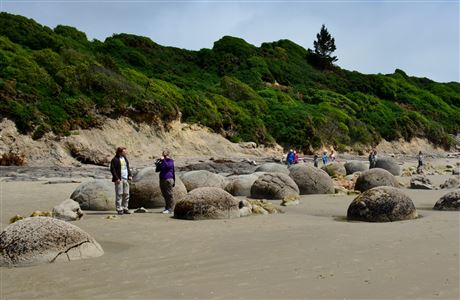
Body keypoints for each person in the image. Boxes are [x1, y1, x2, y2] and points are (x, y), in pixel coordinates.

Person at [110, 147, 132, 215]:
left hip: (125, 178)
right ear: (120, 152)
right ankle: (119, 209)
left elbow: (127, 167)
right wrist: (116, 178)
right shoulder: (115, 159)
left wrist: (130, 175)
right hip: (119, 179)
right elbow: (112, 170)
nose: (125, 153)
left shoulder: (125, 158)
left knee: (126, 194)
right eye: (124, 152)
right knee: (119, 194)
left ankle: (125, 208)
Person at [158, 149, 176, 214]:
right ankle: (167, 207)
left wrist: (164, 160)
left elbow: (168, 167)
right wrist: (158, 163)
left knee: (169, 194)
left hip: (168, 179)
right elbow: (157, 169)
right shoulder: (163, 161)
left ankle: (171, 208)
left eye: (165, 155)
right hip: (162, 178)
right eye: (163, 155)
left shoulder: (170, 161)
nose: (164, 157)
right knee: (164, 194)